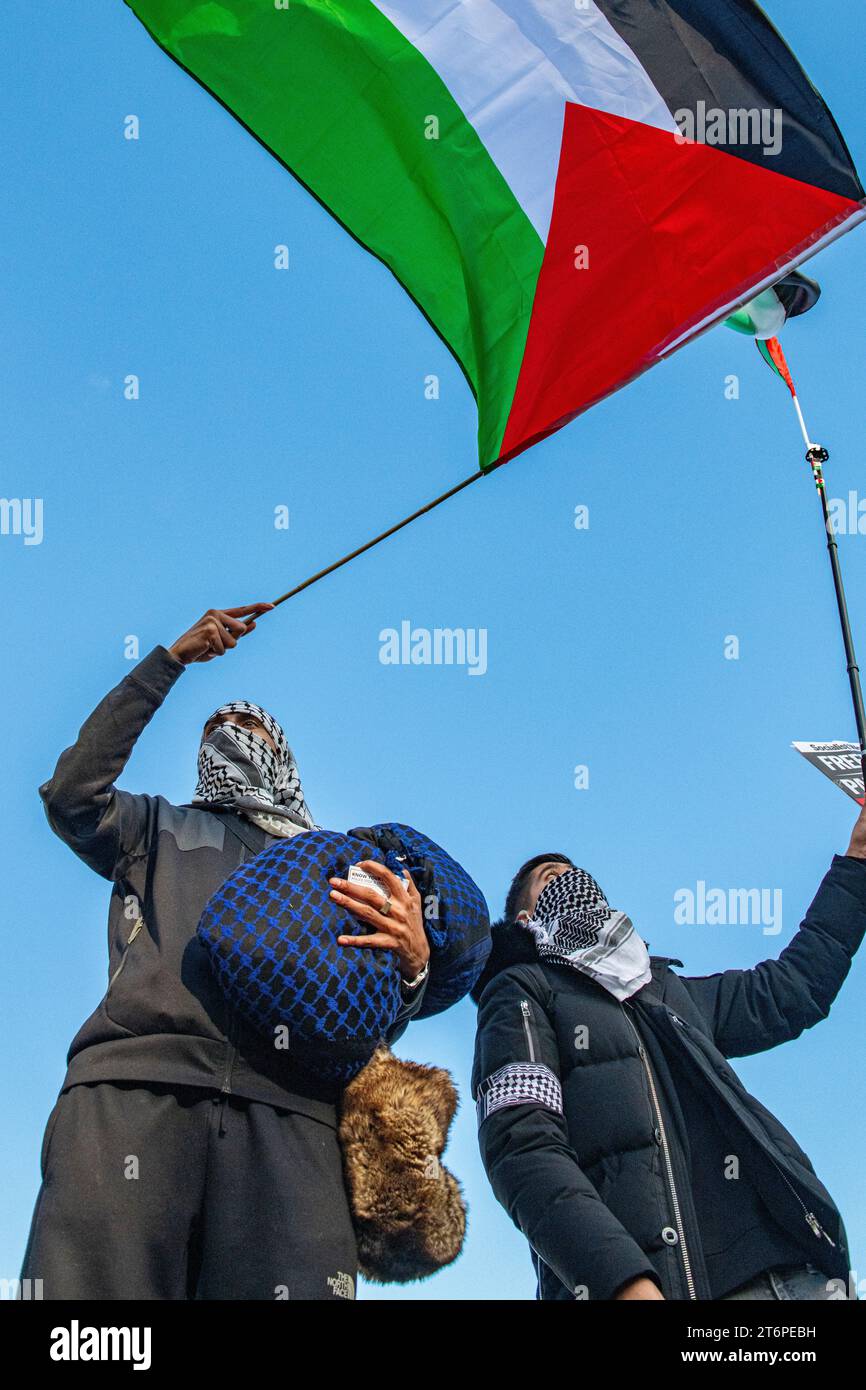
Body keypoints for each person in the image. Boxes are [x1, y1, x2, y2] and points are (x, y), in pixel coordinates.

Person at [22, 604, 431, 1300]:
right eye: (215, 729)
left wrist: (414, 967)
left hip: (290, 1127)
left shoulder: (331, 865)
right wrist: (169, 662)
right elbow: (71, 795)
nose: (229, 734)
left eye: (248, 727)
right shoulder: (154, 826)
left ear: (283, 752)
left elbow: (369, 1019)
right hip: (132, 1100)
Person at [471, 811, 866, 1301]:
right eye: (552, 878)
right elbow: (522, 1144)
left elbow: (793, 988)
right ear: (526, 921)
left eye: (577, 873)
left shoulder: (667, 993)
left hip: (798, 1272)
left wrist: (857, 862)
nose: (571, 878)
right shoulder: (521, 992)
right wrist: (621, 1280)